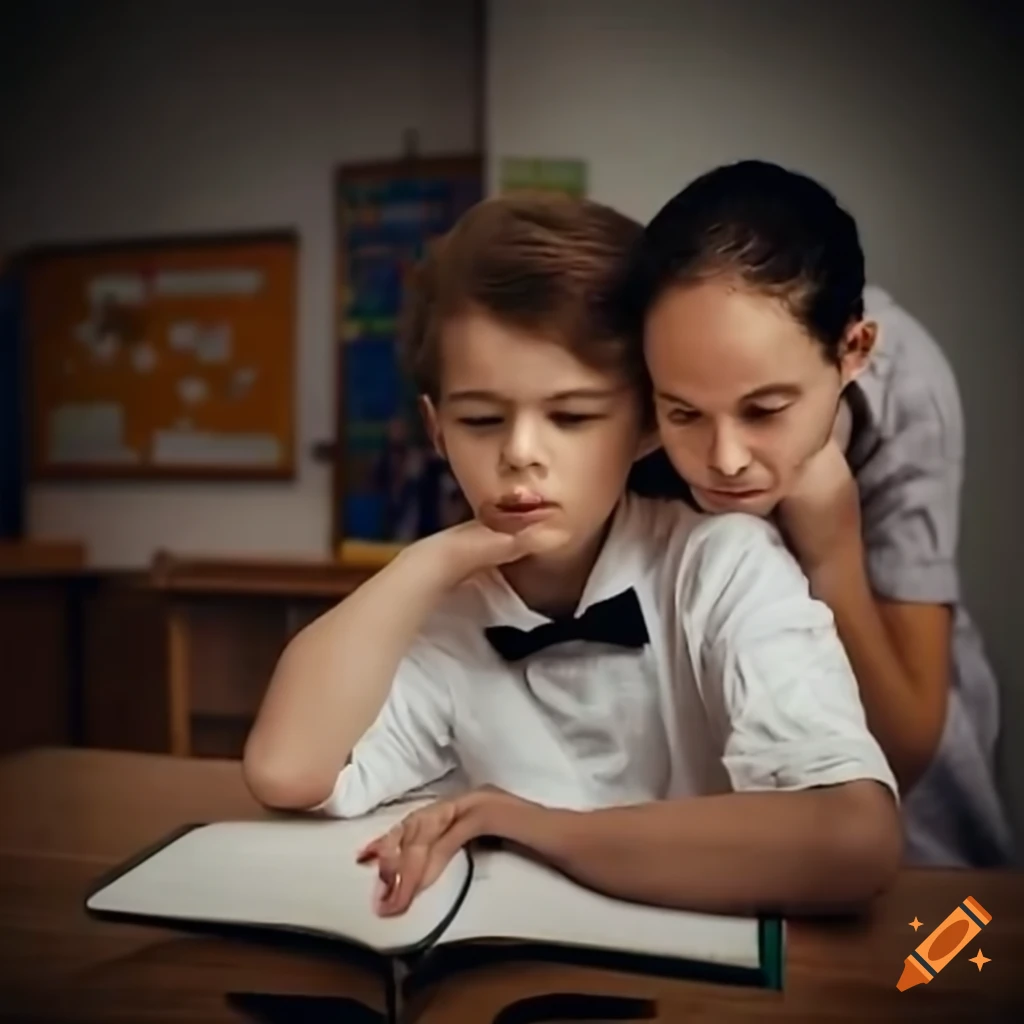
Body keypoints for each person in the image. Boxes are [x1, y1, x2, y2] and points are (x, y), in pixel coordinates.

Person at [243, 193, 900, 919]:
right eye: (482, 419)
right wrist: (425, 563)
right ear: (437, 429)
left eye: (573, 417)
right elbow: (286, 771)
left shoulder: (721, 566)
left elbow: (852, 839)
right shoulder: (444, 614)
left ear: (648, 422)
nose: (520, 454)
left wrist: (530, 823)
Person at [626, 159, 1014, 867]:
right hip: (719, 738)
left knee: (938, 932)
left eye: (766, 410)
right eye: (682, 411)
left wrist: (834, 551)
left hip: (887, 660)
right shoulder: (633, 369)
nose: (727, 458)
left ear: (854, 350)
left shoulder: (907, 392)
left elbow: (906, 747)